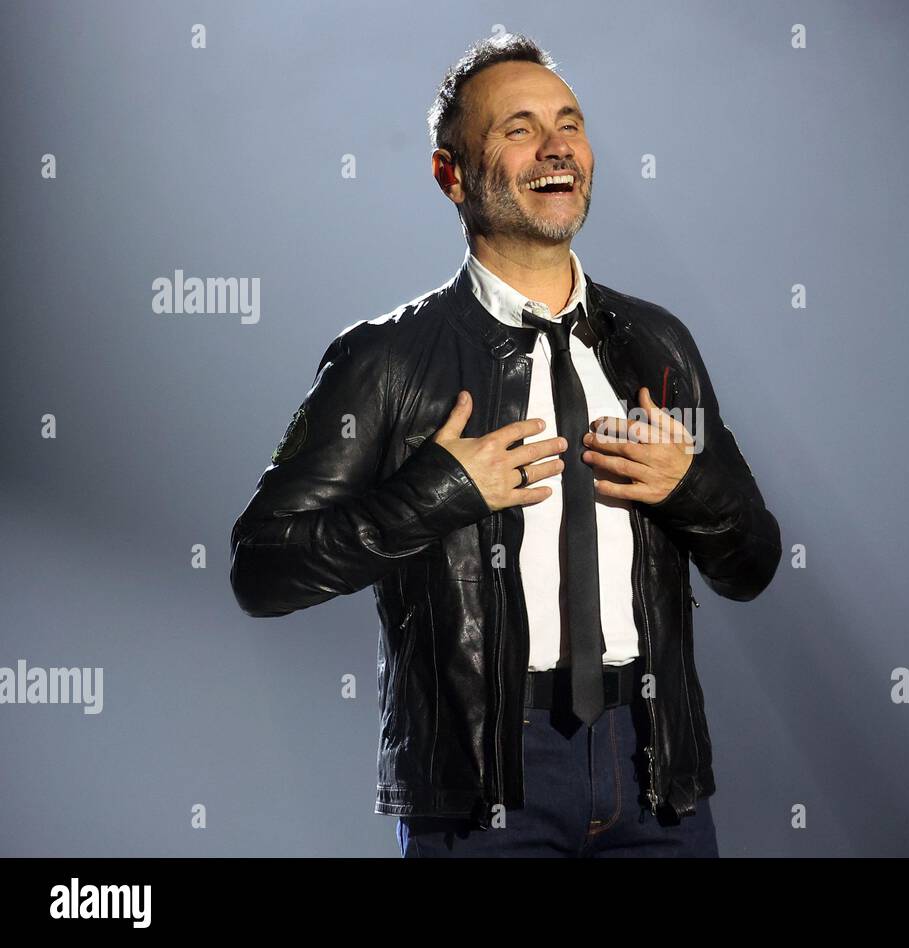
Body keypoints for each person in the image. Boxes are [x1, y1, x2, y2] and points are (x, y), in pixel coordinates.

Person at [229, 32, 780, 858]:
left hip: (655, 773)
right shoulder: (384, 359)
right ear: (450, 174)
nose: (557, 147)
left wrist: (689, 486)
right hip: (483, 781)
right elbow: (262, 569)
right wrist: (437, 493)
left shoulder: (658, 344)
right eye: (519, 129)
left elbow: (754, 564)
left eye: (570, 123)